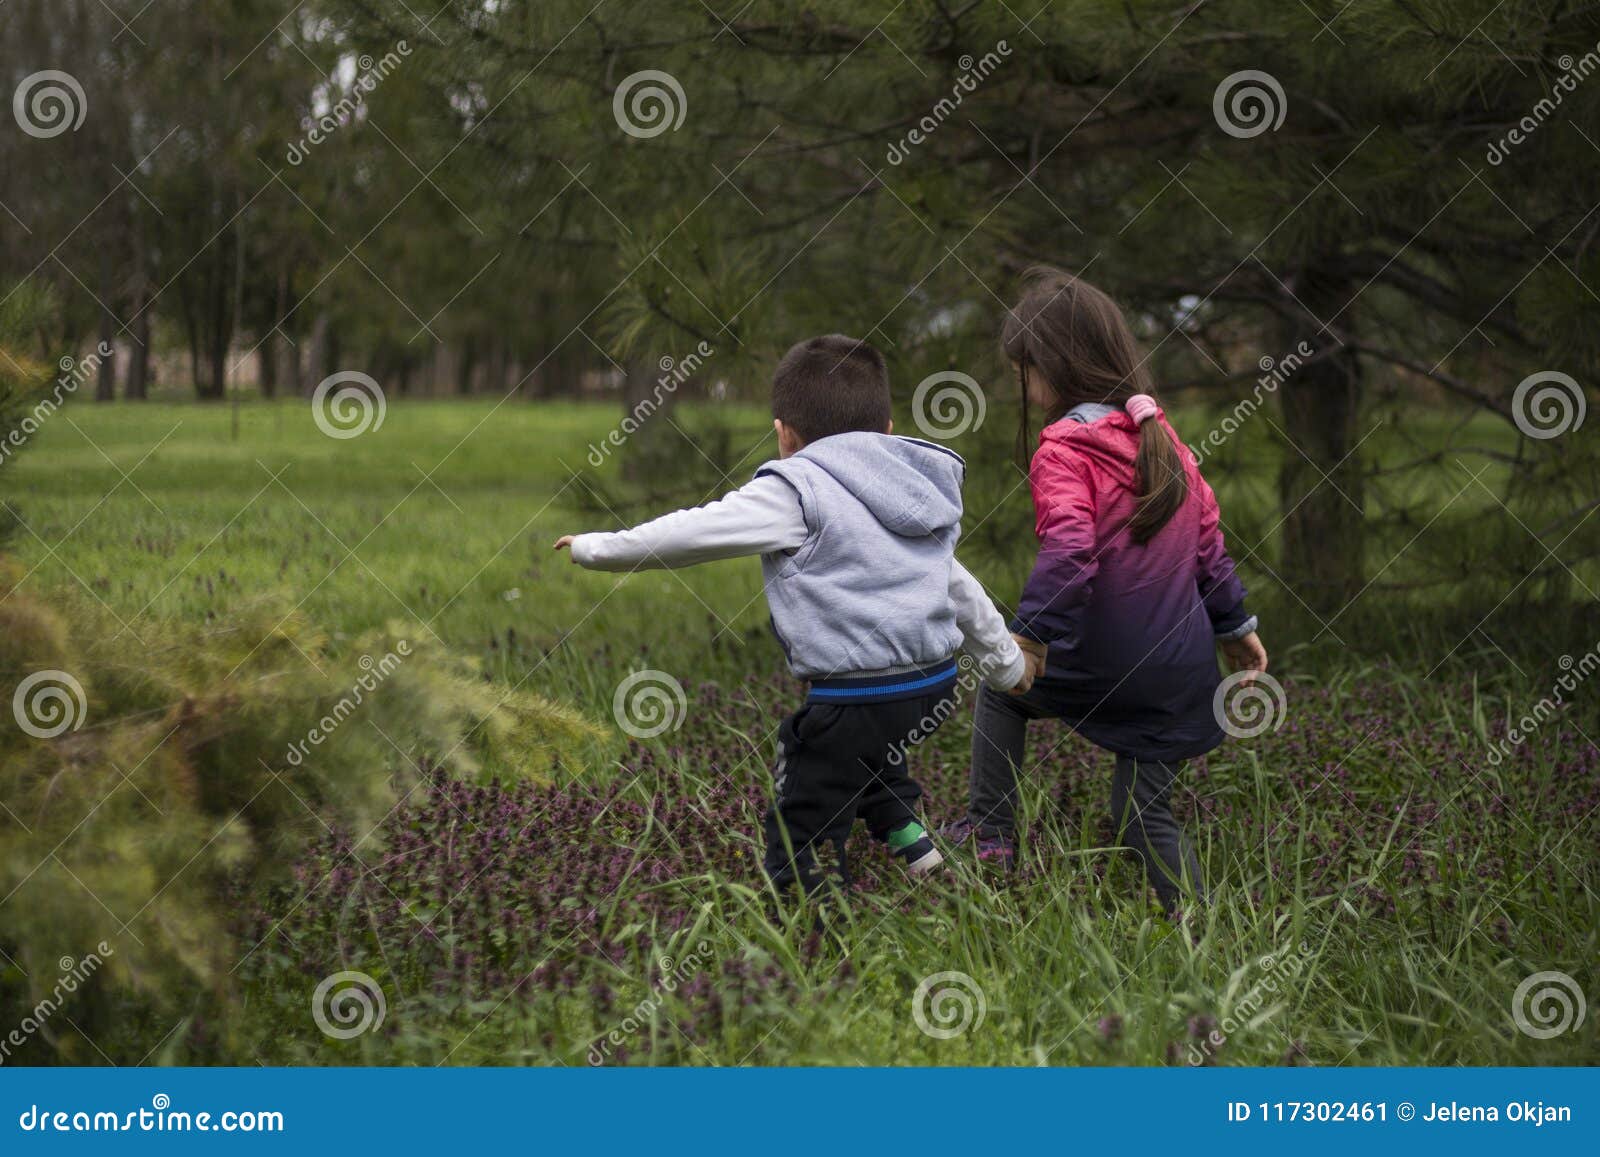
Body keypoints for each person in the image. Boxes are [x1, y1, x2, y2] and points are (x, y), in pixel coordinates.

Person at [556, 334, 1032, 893]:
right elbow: (960, 586)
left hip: (855, 693)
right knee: (869, 756)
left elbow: (693, 532)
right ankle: (920, 854)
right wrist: (1005, 665)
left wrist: (598, 547)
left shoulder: (797, 489)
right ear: (888, 429)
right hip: (933, 685)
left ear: (784, 434)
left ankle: (808, 910)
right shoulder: (916, 492)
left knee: (805, 793)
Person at [942, 270, 1267, 915]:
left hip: (1109, 662)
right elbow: (1210, 551)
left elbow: (1071, 554)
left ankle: (993, 836)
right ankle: (1198, 929)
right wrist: (1237, 631)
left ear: (1055, 367)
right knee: (1144, 814)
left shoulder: (1065, 449)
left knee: (1002, 690)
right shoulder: (1165, 440)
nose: (1027, 386)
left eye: (1027, 369)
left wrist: (1027, 637)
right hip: (1180, 671)